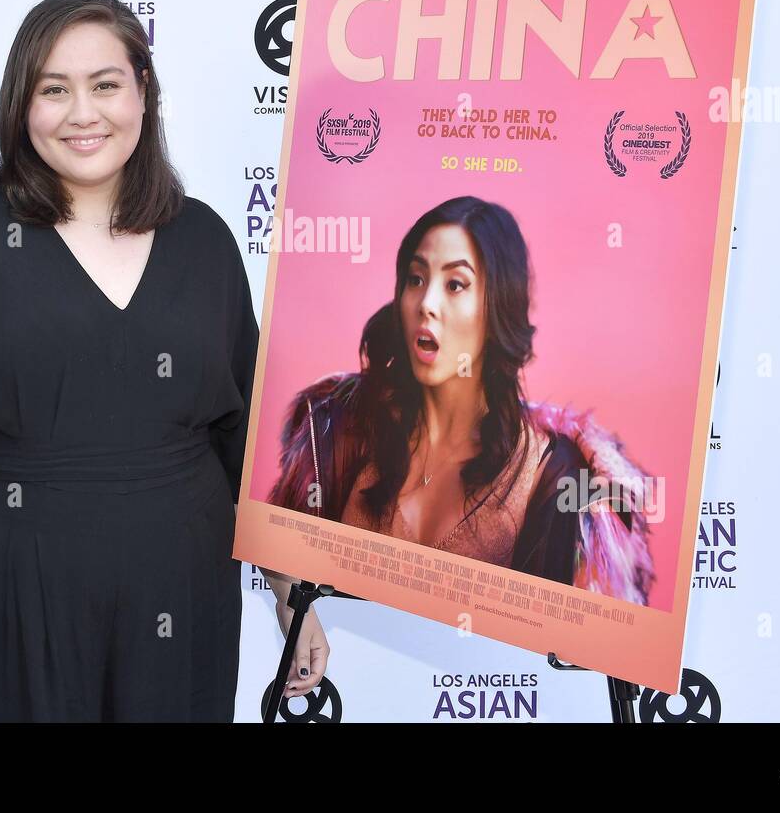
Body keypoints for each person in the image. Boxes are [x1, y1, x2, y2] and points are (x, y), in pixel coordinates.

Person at [0, 0, 327, 722]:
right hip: (6, 612)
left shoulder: (205, 241)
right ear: (20, 104)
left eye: (105, 85)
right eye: (53, 90)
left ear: (142, 93)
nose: (83, 113)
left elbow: (246, 450)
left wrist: (293, 595)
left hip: (182, 610)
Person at [268, 196, 655, 604]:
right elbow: (286, 566)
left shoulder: (552, 477)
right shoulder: (340, 428)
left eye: (455, 284)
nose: (427, 304)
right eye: (416, 279)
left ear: (497, 307)